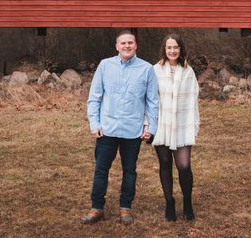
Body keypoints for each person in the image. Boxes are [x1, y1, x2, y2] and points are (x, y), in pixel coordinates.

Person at [82, 29, 158, 226]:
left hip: (132, 130)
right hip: (107, 128)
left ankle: (125, 207)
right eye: (123, 43)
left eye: (130, 43)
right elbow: (94, 97)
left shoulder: (147, 69)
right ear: (117, 46)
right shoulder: (105, 66)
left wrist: (151, 127)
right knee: (101, 170)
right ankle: (96, 207)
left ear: (136, 46)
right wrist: (94, 123)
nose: (127, 46)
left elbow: (152, 101)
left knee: (129, 170)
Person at [151, 33, 200, 221]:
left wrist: (194, 124)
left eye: (175, 47)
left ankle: (187, 202)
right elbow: (150, 99)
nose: (172, 51)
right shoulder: (155, 70)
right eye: (169, 47)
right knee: (165, 164)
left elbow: (193, 100)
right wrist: (149, 124)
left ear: (181, 49)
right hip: (162, 124)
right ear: (164, 49)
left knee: (184, 166)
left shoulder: (188, 72)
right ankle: (169, 202)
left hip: (182, 124)